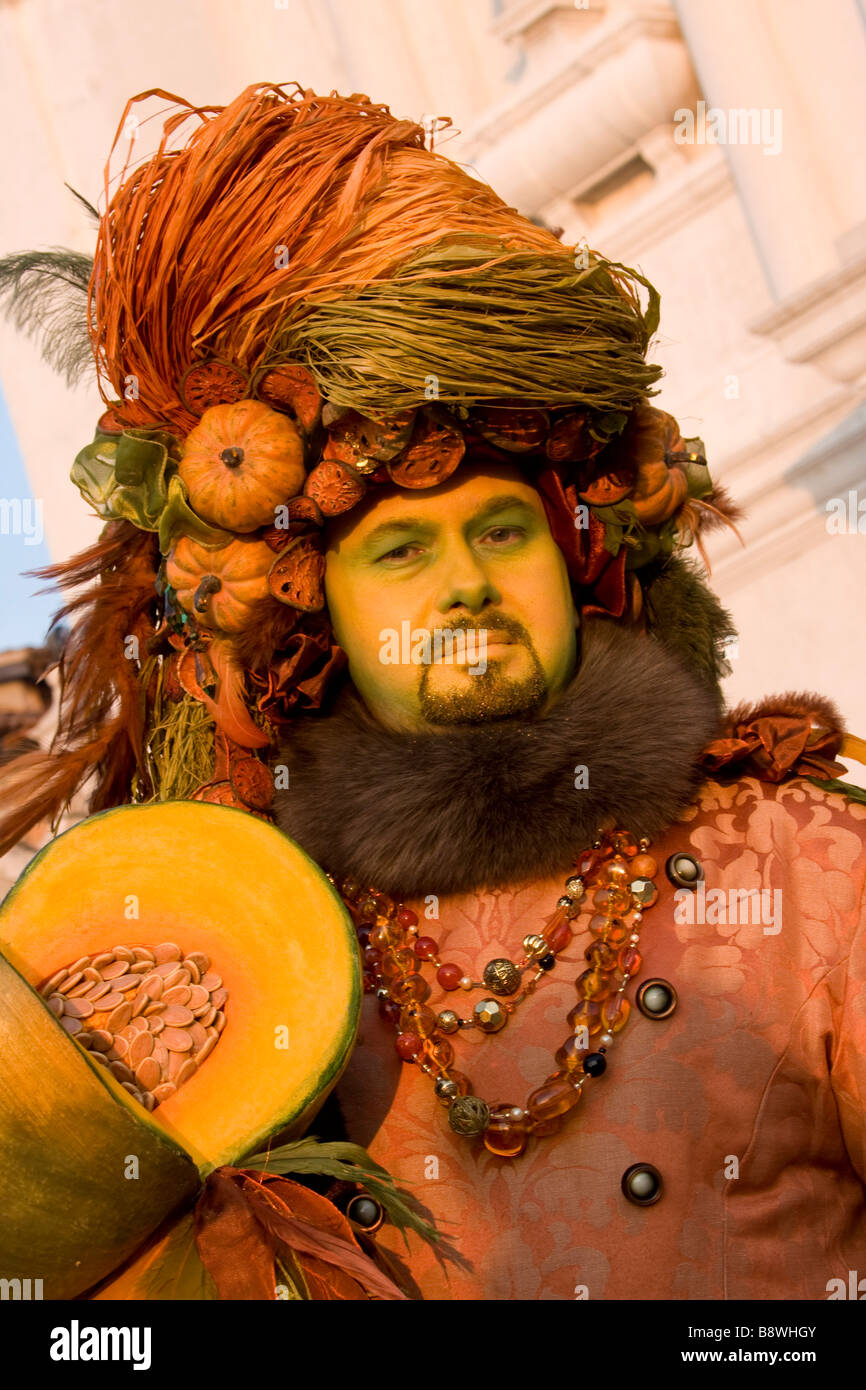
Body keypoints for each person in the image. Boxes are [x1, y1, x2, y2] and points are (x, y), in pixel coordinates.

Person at [1, 81, 865, 1302]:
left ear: (574, 566)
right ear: (316, 610)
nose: (465, 585)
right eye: (401, 554)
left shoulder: (801, 863)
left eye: (502, 533)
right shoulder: (254, 955)